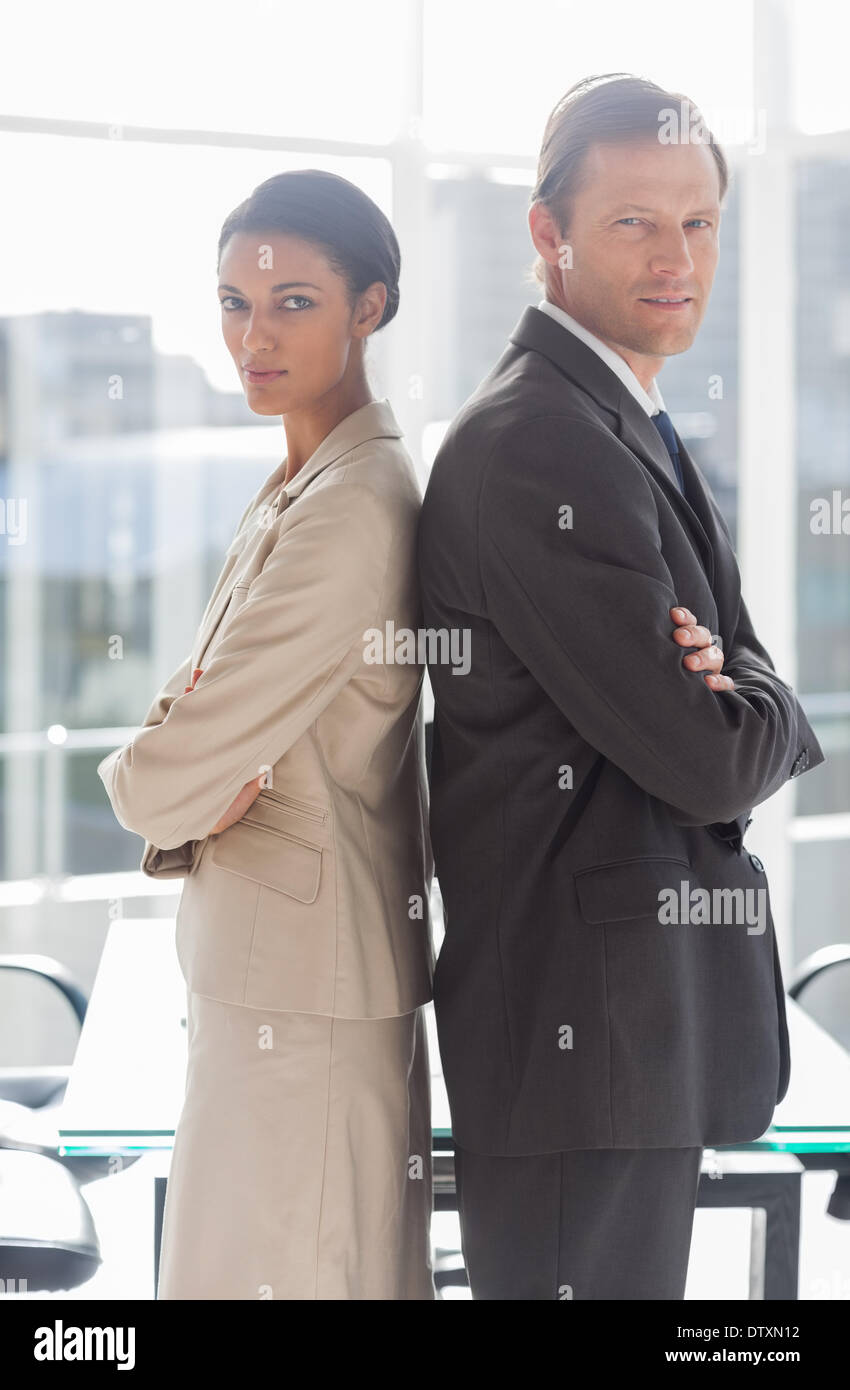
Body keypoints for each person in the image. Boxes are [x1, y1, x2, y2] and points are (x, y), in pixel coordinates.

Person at [417, 74, 825, 1300]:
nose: (676, 256)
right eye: (633, 222)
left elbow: (731, 662)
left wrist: (740, 682)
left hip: (616, 1032)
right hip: (579, 1032)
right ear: (547, 236)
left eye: (697, 222)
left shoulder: (616, 417)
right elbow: (705, 755)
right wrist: (769, 702)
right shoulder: (541, 440)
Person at [98, 169, 435, 1300]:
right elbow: (194, 716)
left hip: (308, 998)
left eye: (294, 300)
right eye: (234, 303)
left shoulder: (351, 507)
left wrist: (164, 782)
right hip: (272, 980)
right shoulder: (295, 483)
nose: (254, 333)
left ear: (369, 307)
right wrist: (186, 764)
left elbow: (164, 772)